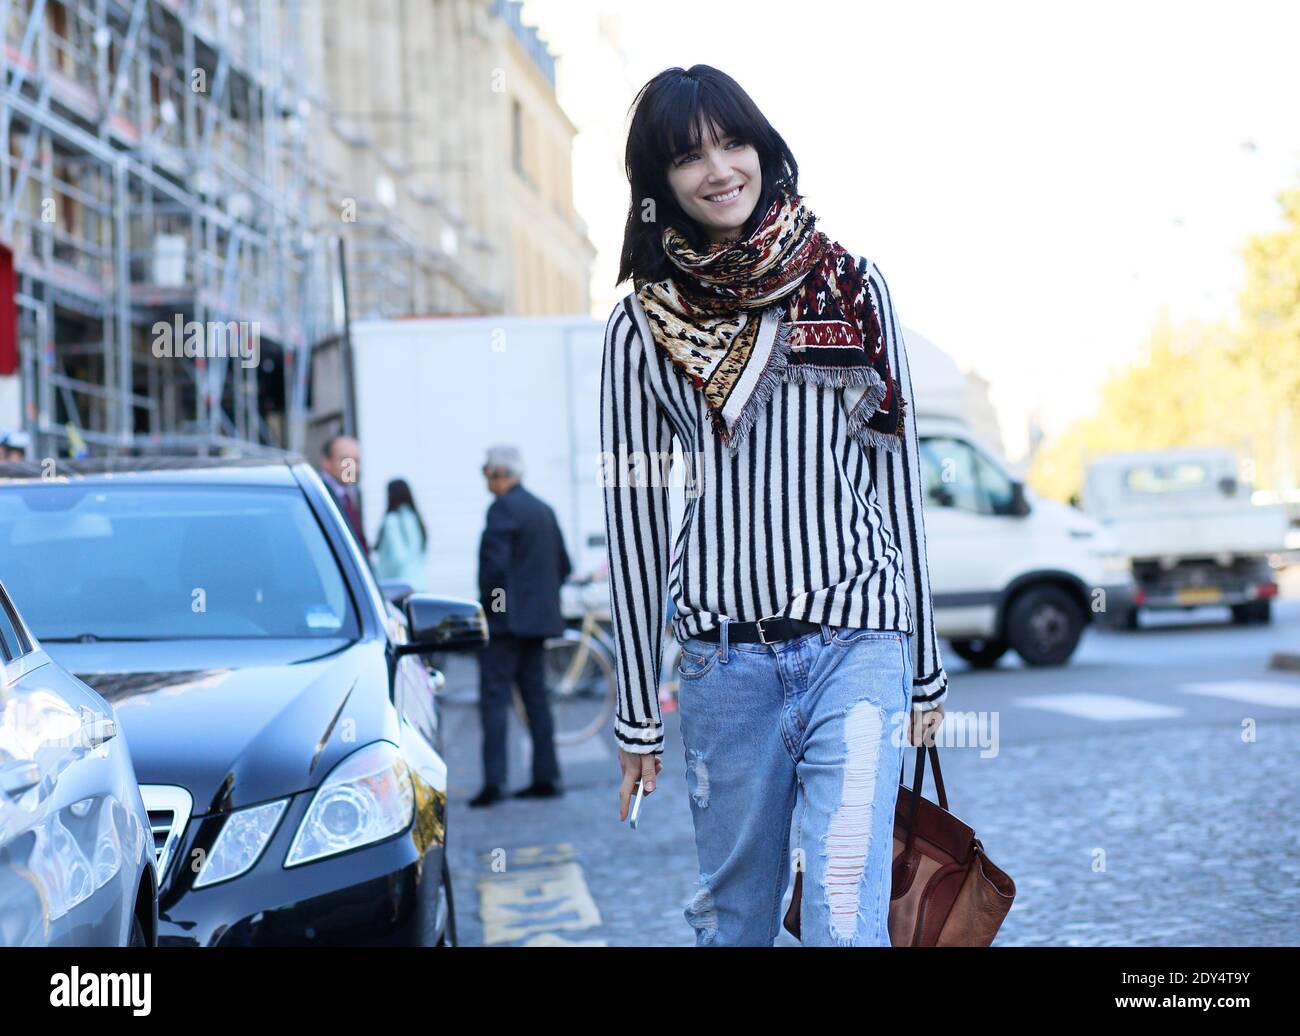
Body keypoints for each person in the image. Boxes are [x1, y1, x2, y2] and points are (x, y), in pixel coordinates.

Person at [601, 65, 949, 946]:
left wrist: (926, 663)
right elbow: (635, 522)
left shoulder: (851, 286)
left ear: (763, 148)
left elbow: (895, 478)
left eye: (732, 142)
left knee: (842, 913)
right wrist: (638, 712)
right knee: (738, 921)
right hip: (725, 668)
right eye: (688, 156)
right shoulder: (641, 326)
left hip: (858, 643)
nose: (718, 169)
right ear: (658, 182)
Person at [471, 444, 572, 807]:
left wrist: (495, 612)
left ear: (500, 473)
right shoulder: (543, 510)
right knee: (536, 701)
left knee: (494, 702)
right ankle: (546, 777)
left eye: (486, 472)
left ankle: (494, 784)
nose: (485, 480)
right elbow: (563, 565)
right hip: (538, 625)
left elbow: (494, 572)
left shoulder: (501, 510)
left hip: (505, 629)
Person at [373, 478, 428, 591]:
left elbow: (398, 558)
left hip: (399, 587)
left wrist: (377, 575)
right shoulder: (414, 518)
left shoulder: (391, 520)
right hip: (419, 584)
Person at [318, 434, 366, 552]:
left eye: (356, 461)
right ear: (326, 462)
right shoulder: (319, 496)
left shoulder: (346, 496)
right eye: (345, 460)